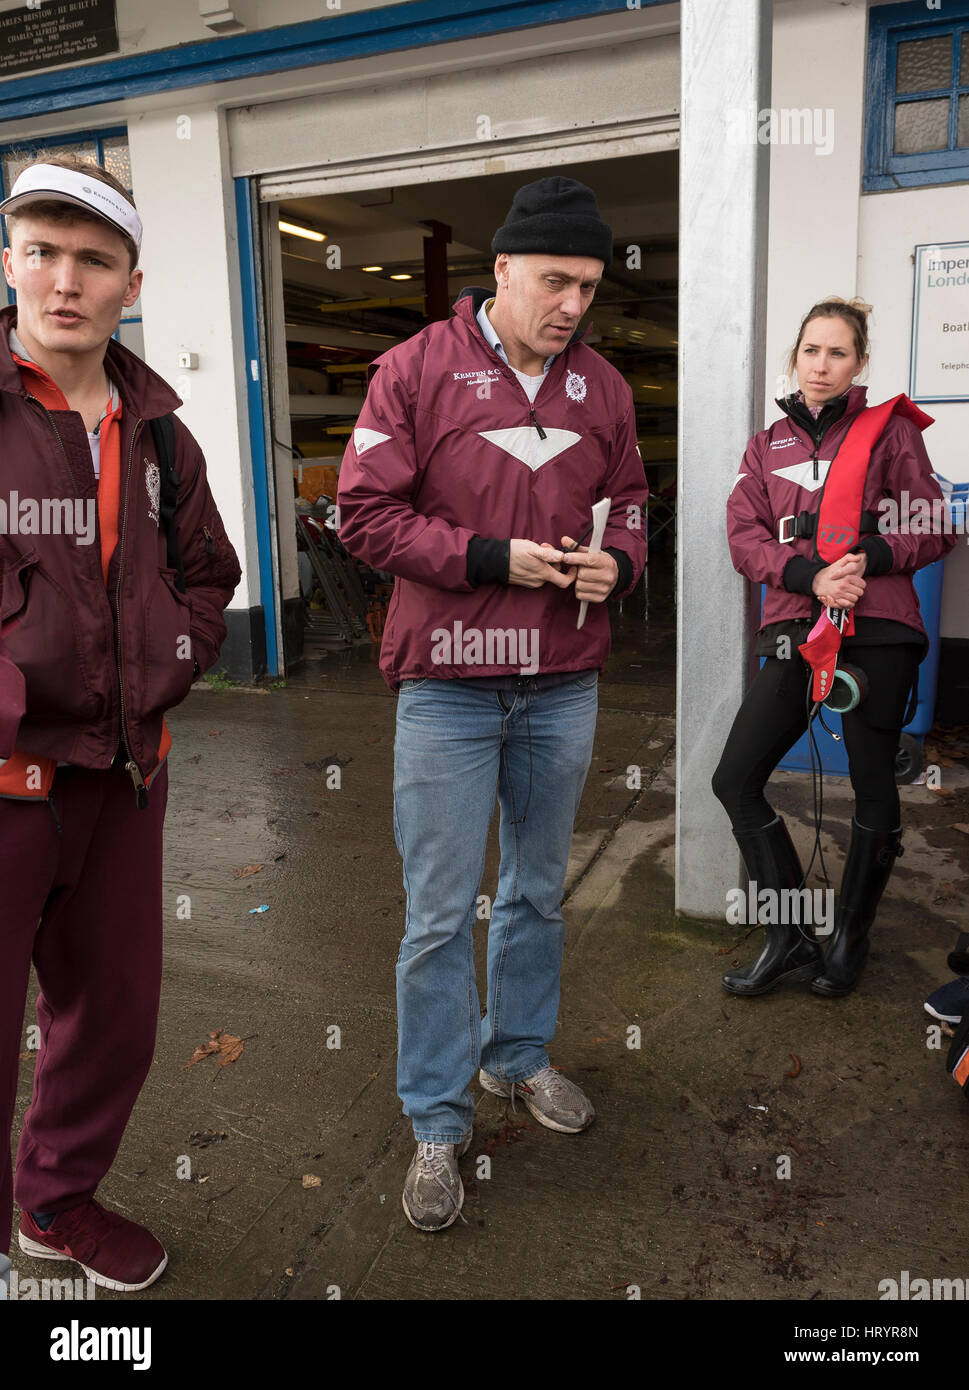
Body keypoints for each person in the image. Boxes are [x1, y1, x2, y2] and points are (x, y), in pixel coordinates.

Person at [338, 176, 647, 1231]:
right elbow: (363, 516)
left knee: (536, 890)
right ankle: (435, 1118)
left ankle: (516, 1057)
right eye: (555, 280)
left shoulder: (602, 386)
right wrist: (483, 556)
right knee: (436, 914)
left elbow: (635, 501)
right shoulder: (414, 371)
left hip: (561, 682)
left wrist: (623, 561)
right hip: (450, 688)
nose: (572, 304)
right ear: (503, 270)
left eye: (590, 287)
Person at [0, 155, 241, 1291]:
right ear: (9, 261)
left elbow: (210, 576)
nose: (64, 280)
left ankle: (53, 1202)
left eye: (93, 260)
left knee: (115, 1018)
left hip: (125, 777)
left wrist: (160, 673)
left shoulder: (158, 436)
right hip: (4, 784)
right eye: (42, 252)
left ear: (129, 280)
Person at [712, 296, 957, 999]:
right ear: (795, 355)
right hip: (796, 625)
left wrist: (867, 559)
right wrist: (808, 575)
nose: (821, 365)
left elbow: (931, 525)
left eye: (837, 353)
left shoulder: (889, 435)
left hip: (876, 626)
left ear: (859, 363)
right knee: (733, 778)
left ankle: (849, 936)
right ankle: (787, 935)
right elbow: (742, 538)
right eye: (811, 351)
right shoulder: (764, 446)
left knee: (872, 779)